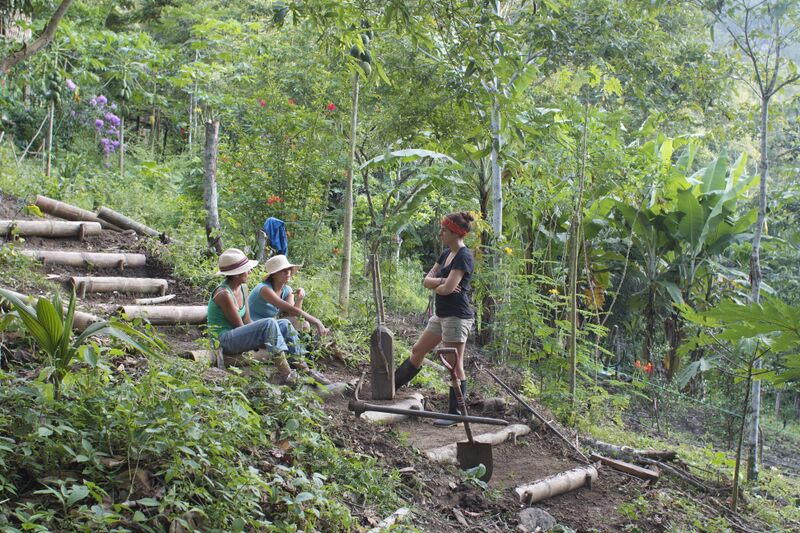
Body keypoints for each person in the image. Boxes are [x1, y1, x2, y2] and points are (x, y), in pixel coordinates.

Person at [394, 212, 475, 427]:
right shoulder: (446, 253)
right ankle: (392, 386)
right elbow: (427, 281)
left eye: (444, 231)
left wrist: (440, 285)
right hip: (441, 315)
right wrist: (442, 282)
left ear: (455, 233)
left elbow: (449, 289)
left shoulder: (464, 256)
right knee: (418, 350)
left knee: (454, 365)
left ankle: (455, 412)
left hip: (457, 317)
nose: (440, 233)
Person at [206, 248, 327, 385]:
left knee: (284, 324)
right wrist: (265, 332)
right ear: (237, 274)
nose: (250, 272)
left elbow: (247, 320)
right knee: (270, 323)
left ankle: (304, 368)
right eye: (247, 270)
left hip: (237, 334)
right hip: (223, 340)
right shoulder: (224, 294)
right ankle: (287, 374)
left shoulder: (243, 288)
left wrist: (269, 332)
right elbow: (239, 326)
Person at [248, 255, 330, 337]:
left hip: (269, 324)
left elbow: (293, 315)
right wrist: (317, 322)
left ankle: (303, 346)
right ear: (273, 275)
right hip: (252, 325)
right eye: (283, 270)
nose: (288, 273)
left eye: (289, 269)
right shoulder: (265, 289)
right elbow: (292, 310)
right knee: (292, 325)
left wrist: (300, 298)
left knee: (303, 324)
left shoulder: (287, 290)